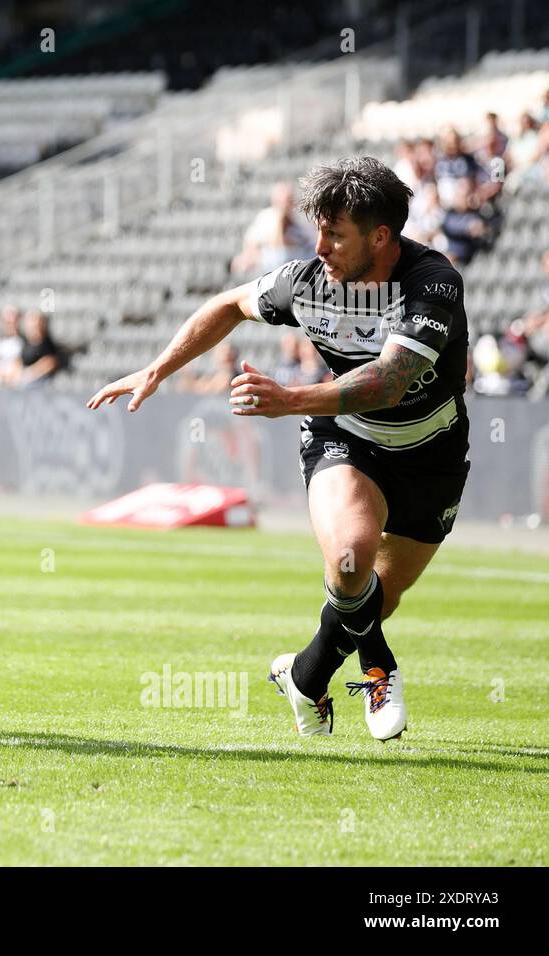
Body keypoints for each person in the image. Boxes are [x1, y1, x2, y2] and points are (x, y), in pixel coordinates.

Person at [88, 157, 469, 741]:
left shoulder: (432, 282)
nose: (319, 247)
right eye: (317, 229)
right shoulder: (308, 280)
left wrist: (289, 398)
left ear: (381, 236)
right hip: (345, 435)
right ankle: (378, 669)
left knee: (372, 600)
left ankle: (306, 675)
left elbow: (391, 381)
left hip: (432, 452)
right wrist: (157, 369)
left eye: (335, 235)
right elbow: (225, 306)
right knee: (349, 560)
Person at [230, 182, 315, 278]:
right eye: (283, 201)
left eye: (289, 200)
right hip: (270, 268)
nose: (286, 205)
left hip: (299, 264)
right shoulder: (265, 218)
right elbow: (251, 246)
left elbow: (311, 244)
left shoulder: (302, 220)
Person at [17, 309, 61, 386]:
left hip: (41, 381)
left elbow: (50, 362)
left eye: (34, 323)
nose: (32, 326)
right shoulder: (23, 342)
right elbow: (18, 360)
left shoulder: (46, 343)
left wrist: (29, 374)